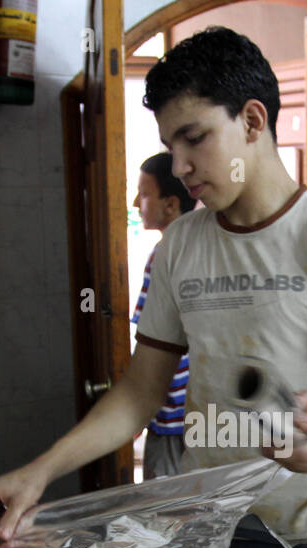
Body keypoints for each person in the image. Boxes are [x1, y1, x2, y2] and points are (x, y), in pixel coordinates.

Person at [0, 26, 307, 548]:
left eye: (195, 138)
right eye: (172, 148)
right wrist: (38, 473)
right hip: (202, 529)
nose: (182, 166)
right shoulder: (181, 245)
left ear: (253, 121)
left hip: (305, 540)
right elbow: (140, 394)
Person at [131, 152, 196, 478]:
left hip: (170, 420)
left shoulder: (165, 254)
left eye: (143, 194)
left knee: (164, 521)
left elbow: (154, 354)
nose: (134, 203)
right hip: (203, 421)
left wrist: (136, 414)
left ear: (171, 204)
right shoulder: (200, 246)